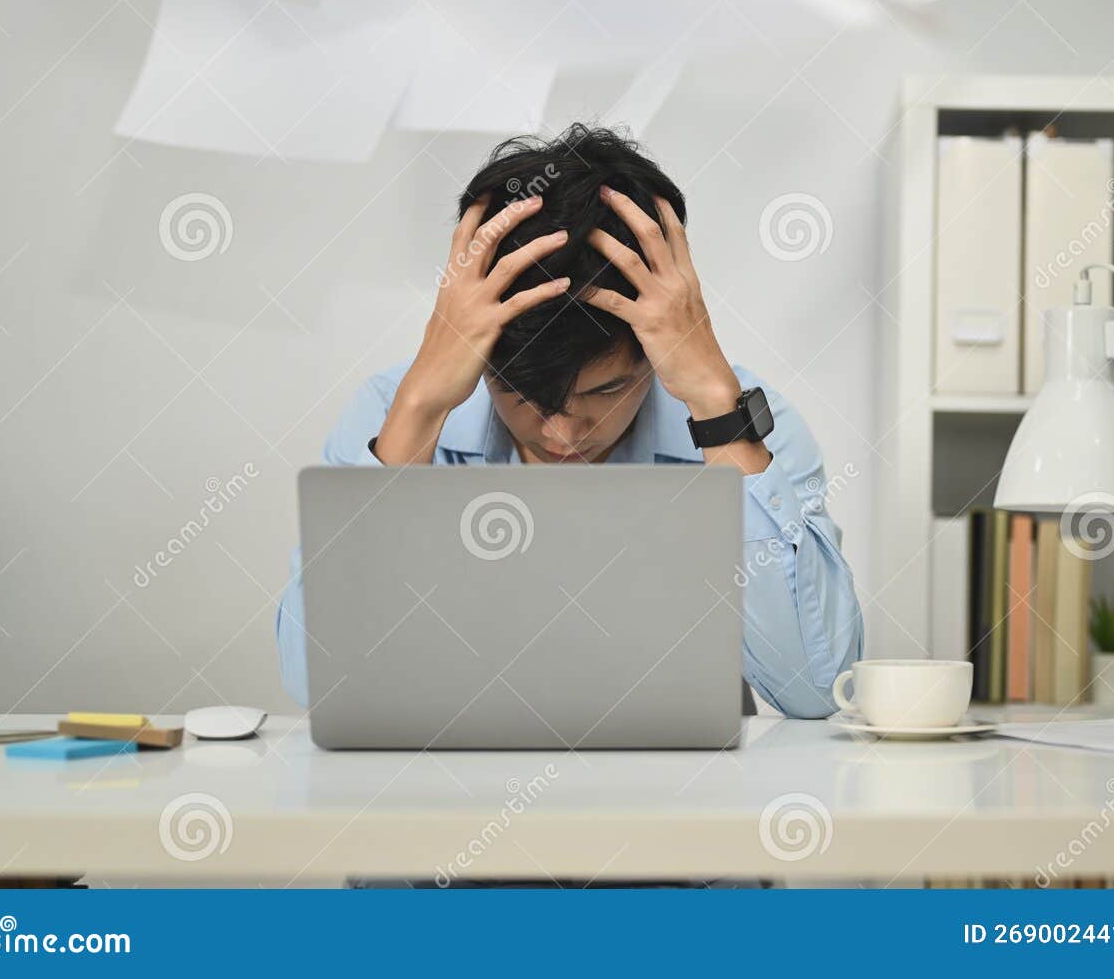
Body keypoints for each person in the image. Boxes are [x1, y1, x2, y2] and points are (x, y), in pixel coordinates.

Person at [276, 124, 862, 719]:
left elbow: (815, 691)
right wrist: (420, 408)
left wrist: (715, 403)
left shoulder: (746, 433)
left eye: (607, 389)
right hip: (448, 796)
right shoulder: (391, 415)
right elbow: (316, 681)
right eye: (521, 393)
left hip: (679, 803)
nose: (563, 435)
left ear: (656, 355)